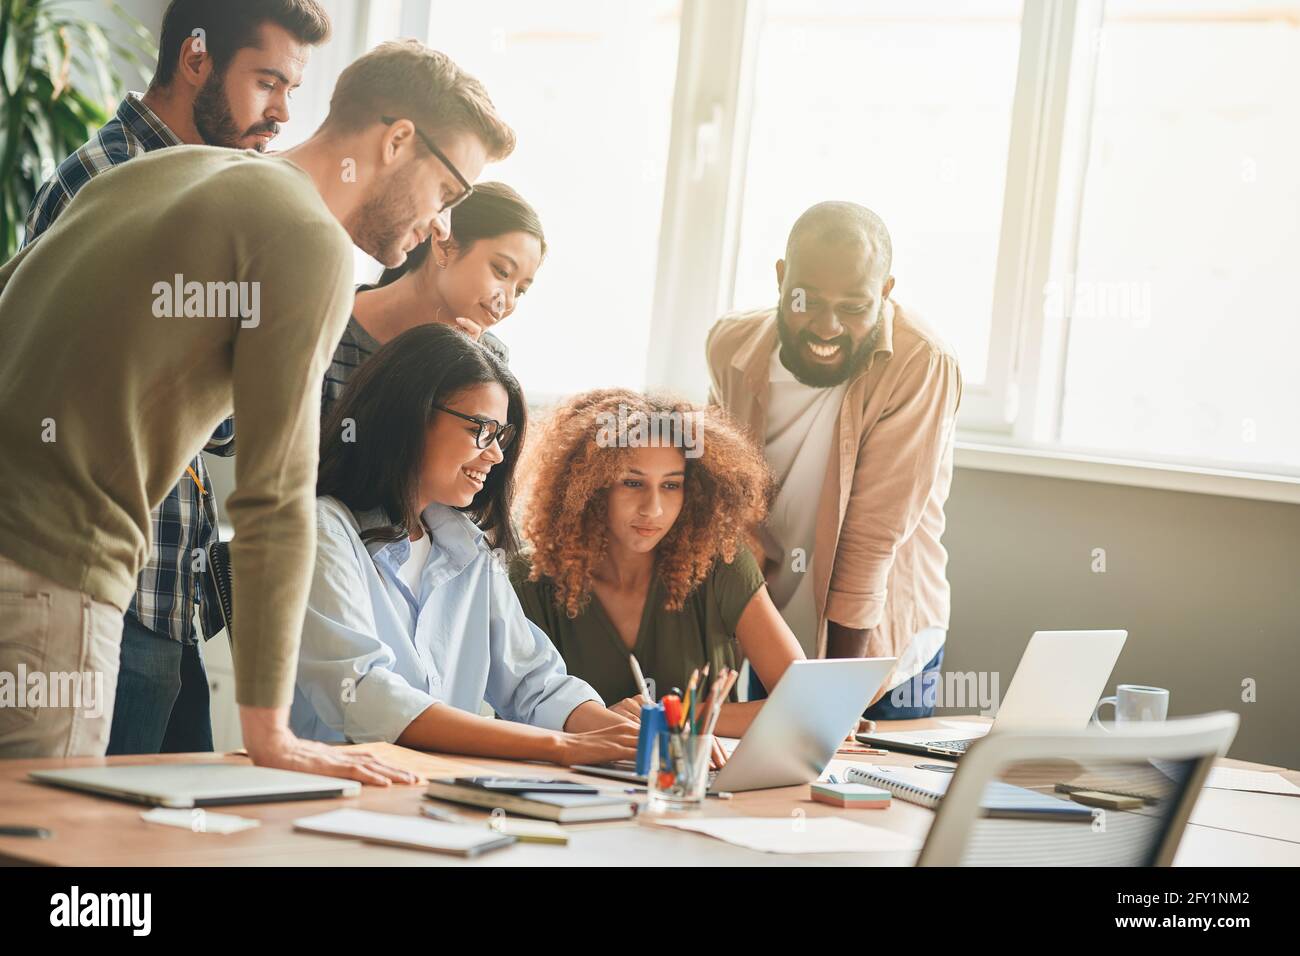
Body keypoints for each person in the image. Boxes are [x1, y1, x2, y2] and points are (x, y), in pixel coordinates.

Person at [0, 40, 514, 787]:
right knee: (36, 844)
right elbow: (274, 496)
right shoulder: (311, 240)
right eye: (447, 191)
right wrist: (271, 732)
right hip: (51, 579)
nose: (440, 224)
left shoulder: (167, 168)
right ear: (398, 139)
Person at [20, 0, 332, 758]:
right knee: (78, 839)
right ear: (197, 59)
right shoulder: (108, 177)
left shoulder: (226, 188)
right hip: (100, 586)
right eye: (267, 82)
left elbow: (206, 414)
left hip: (167, 592)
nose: (282, 113)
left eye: (293, 90)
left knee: (160, 830)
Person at [296, 325, 637, 766]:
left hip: (435, 797)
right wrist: (562, 747)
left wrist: (638, 738)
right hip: (337, 798)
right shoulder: (321, 531)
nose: (495, 455)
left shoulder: (470, 550)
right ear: (407, 416)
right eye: (480, 429)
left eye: (501, 435)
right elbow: (362, 694)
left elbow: (535, 683)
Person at [706, 201, 962, 719]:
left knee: (862, 795)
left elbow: (871, 541)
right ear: (781, 278)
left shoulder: (920, 363)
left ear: (886, 292)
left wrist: (833, 705)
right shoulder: (730, 345)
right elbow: (718, 502)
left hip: (876, 654)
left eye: (852, 306)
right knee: (755, 795)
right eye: (809, 301)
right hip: (770, 639)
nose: (826, 327)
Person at [511, 390, 806, 738]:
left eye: (671, 485)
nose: (653, 508)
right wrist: (593, 721)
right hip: (569, 785)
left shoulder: (720, 566)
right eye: (633, 483)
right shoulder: (530, 578)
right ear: (590, 487)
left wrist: (669, 716)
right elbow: (516, 714)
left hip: (694, 784)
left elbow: (803, 704)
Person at [322, 182, 545, 417]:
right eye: (501, 271)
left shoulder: (489, 357)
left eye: (520, 291)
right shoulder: (323, 322)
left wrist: (459, 377)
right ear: (445, 245)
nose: (507, 302)